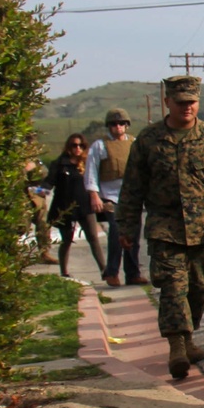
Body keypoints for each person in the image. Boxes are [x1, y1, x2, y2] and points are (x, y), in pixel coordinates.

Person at [116, 76, 204, 380]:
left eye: (191, 102)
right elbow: (132, 190)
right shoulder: (148, 141)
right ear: (168, 103)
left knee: (199, 289)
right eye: (180, 102)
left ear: (197, 102)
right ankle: (177, 345)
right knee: (172, 289)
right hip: (164, 230)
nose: (187, 107)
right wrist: (126, 226)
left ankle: (188, 337)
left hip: (203, 230)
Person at [85, 108, 149, 287]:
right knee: (116, 233)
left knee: (134, 237)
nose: (118, 127)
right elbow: (91, 171)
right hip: (110, 198)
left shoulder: (134, 143)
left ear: (127, 125)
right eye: (114, 124)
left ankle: (133, 273)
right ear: (108, 126)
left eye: (121, 123)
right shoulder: (100, 146)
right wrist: (94, 195)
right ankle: (112, 272)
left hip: (132, 198)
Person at [45, 134, 107, 279]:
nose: (78, 148)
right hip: (65, 206)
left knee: (93, 237)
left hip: (85, 206)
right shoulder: (60, 164)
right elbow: (49, 182)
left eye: (81, 146)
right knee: (66, 239)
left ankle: (104, 270)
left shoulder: (88, 164)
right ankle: (64, 272)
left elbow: (98, 181)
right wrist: (39, 190)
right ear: (69, 146)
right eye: (74, 145)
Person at [24, 133, 56, 265]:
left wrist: (41, 189)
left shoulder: (36, 159)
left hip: (36, 194)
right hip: (22, 195)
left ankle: (44, 252)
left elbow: (44, 173)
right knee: (21, 226)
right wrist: (25, 169)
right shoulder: (18, 159)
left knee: (43, 223)